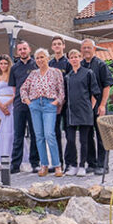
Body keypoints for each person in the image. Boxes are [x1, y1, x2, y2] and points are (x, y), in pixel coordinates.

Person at [20, 48, 65, 177]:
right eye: (37, 58)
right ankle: (44, 165)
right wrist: (28, 102)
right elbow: (23, 89)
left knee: (49, 134)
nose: (40, 60)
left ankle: (57, 165)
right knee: (39, 136)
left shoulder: (56, 72)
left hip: (49, 104)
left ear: (47, 58)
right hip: (35, 105)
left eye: (42, 57)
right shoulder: (33, 74)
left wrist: (56, 102)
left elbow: (61, 91)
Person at [64, 49, 100, 176]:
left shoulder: (88, 73)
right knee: (70, 139)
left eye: (76, 57)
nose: (74, 59)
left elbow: (95, 92)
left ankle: (82, 166)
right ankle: (73, 165)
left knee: (84, 141)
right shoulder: (67, 77)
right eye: (71, 57)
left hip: (85, 112)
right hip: (71, 112)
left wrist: (90, 108)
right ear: (69, 60)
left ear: (80, 58)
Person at [80, 39, 113, 176]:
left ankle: (103, 165)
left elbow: (107, 85)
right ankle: (92, 164)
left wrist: (103, 104)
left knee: (101, 136)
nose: (86, 50)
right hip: (84, 108)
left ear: (94, 49)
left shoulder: (101, 65)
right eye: (84, 48)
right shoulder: (79, 65)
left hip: (99, 106)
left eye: (89, 47)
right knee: (87, 137)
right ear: (81, 50)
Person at [9, 40, 40, 174]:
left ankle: (35, 163)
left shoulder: (36, 65)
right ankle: (15, 164)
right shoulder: (14, 68)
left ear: (29, 49)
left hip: (34, 105)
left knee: (35, 134)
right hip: (19, 105)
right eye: (20, 49)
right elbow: (14, 88)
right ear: (17, 52)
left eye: (24, 48)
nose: (22, 51)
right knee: (18, 135)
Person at [48, 36, 71, 170]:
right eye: (54, 44)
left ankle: (68, 163)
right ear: (52, 47)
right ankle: (58, 163)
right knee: (54, 134)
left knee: (69, 135)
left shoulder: (68, 64)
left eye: (59, 44)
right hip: (52, 104)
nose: (57, 46)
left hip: (66, 104)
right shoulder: (49, 64)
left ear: (63, 46)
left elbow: (68, 85)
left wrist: (62, 102)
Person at [0, 54, 15, 165]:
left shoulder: (12, 76)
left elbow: (16, 93)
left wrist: (7, 104)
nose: (3, 65)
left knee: (10, 132)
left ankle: (10, 157)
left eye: (5, 63)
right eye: (1, 63)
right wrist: (1, 105)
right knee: (0, 132)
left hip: (11, 105)